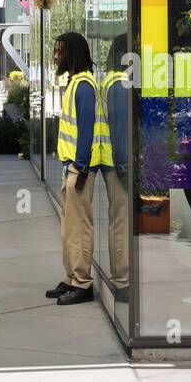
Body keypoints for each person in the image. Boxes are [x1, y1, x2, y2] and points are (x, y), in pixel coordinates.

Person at [45, 32, 106, 306]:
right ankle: (71, 278)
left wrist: (80, 169)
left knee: (79, 227)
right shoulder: (74, 83)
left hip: (80, 169)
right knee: (69, 227)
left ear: (72, 53)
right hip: (71, 166)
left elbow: (86, 131)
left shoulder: (83, 85)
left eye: (60, 51)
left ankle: (83, 283)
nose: (56, 55)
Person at [99, 37, 130, 299]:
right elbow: (120, 129)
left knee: (119, 218)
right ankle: (122, 280)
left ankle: (123, 276)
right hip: (118, 162)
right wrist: (124, 167)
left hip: (115, 161)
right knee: (121, 219)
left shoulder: (112, 79)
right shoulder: (119, 83)